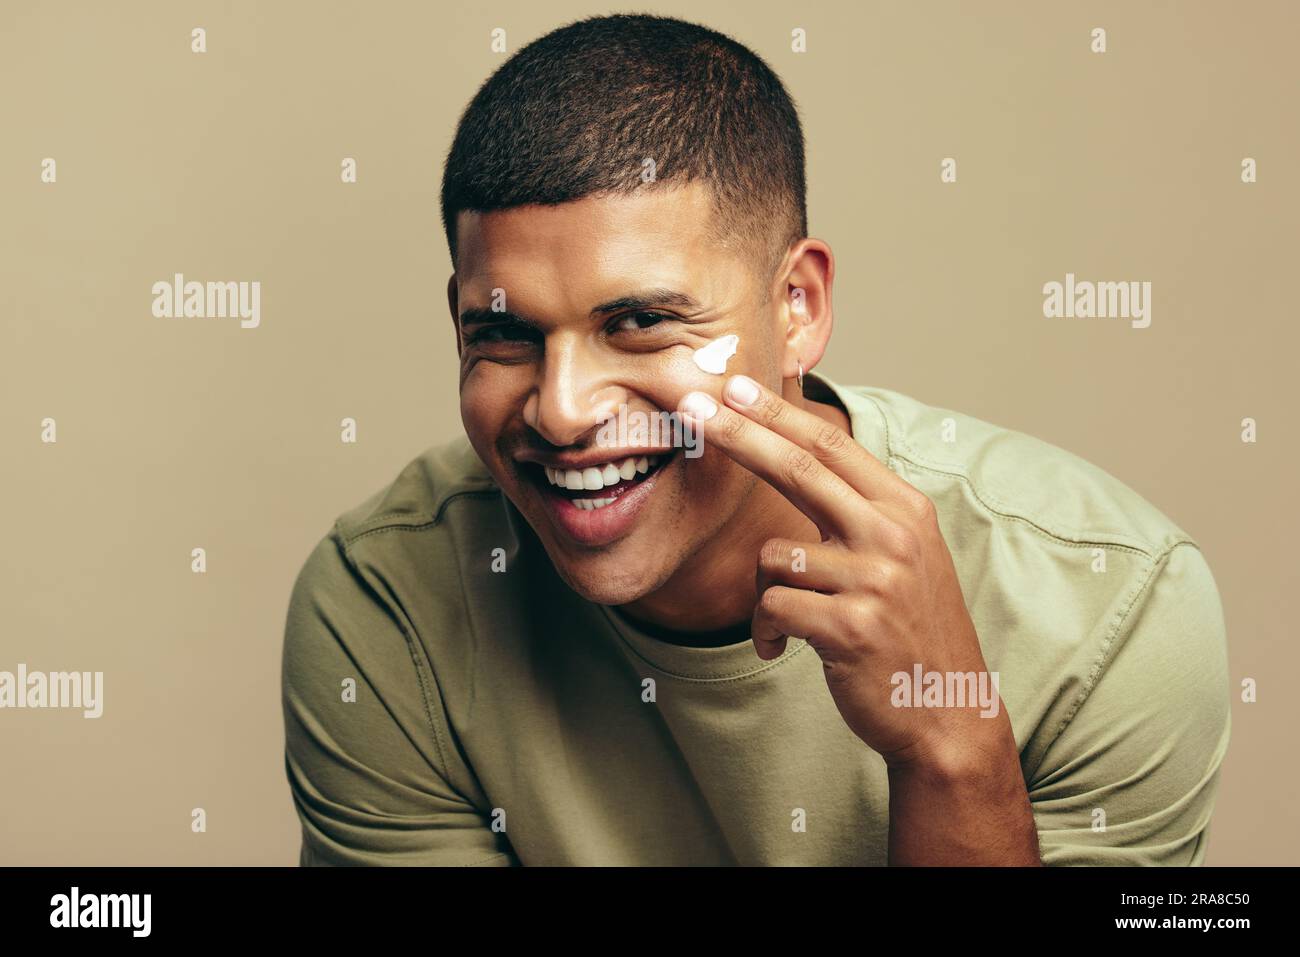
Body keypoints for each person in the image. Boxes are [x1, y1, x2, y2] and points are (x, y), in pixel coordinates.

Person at [280, 13, 1230, 865]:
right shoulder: (386, 608)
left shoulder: (1113, 605)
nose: (561, 412)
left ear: (798, 305)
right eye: (503, 334)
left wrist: (957, 751)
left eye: (642, 321)